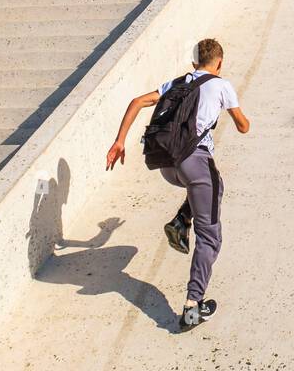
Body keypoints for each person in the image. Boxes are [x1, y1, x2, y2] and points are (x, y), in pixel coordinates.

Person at [105, 38, 250, 329]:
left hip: (167, 166)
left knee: (214, 186)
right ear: (219, 62)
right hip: (195, 163)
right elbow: (243, 126)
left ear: (194, 62)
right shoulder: (222, 85)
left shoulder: (176, 83)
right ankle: (193, 306)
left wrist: (120, 141)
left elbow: (137, 102)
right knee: (210, 237)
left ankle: (182, 220)